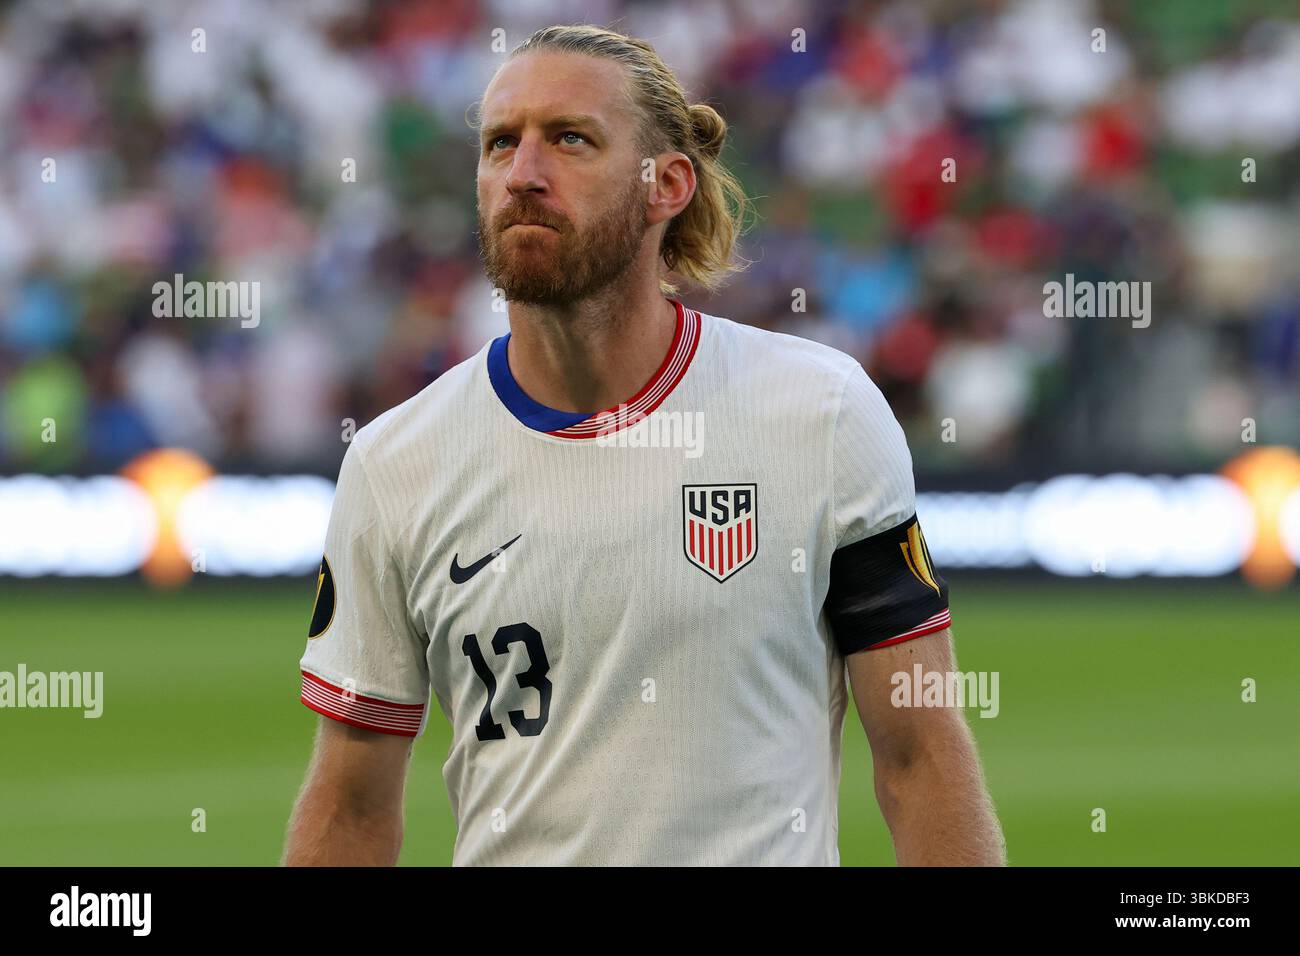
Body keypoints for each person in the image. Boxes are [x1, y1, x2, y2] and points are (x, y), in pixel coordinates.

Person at [283, 24, 1004, 866]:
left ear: (666, 185)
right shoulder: (393, 462)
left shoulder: (822, 412)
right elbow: (351, 806)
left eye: (570, 140)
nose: (523, 173)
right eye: (500, 144)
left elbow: (920, 757)